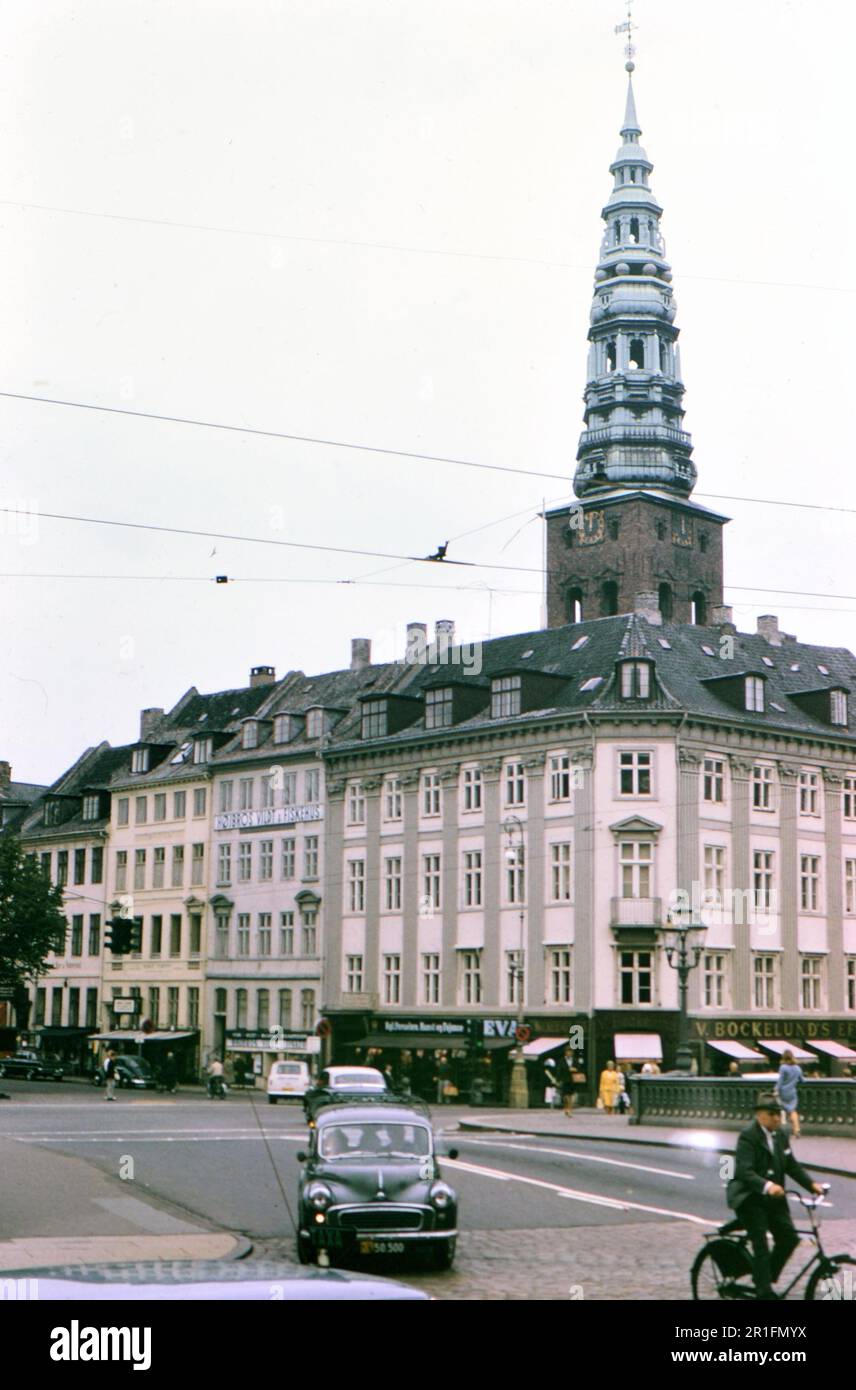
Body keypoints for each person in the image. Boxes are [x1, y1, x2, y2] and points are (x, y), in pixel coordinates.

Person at [725, 1093, 824, 1300]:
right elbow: (744, 1171)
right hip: (749, 1197)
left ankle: (763, 1278)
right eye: (772, 1114)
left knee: (789, 1238)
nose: (777, 1119)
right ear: (760, 1115)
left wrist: (812, 1185)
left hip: (773, 1198)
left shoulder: (780, 1135)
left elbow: (791, 1165)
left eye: (778, 1114)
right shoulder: (748, 1136)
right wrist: (768, 1185)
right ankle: (764, 1292)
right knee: (760, 1243)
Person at [776, 1049, 804, 1138]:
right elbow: (802, 1080)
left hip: (783, 1092)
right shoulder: (798, 1068)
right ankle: (796, 1129)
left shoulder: (783, 1067)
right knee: (792, 1111)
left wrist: (775, 1090)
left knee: (780, 1110)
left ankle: (780, 1130)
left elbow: (780, 1082)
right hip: (792, 1092)